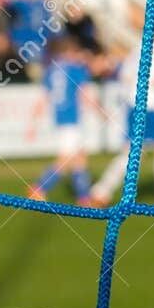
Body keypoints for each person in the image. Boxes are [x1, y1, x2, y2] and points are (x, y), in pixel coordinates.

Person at [86, 38, 154, 210]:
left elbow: (125, 75)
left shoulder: (138, 47)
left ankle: (100, 192)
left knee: (132, 152)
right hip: (149, 105)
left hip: (133, 104)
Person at [29, 35, 99, 203]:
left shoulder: (50, 70)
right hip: (72, 118)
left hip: (60, 118)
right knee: (66, 160)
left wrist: (33, 124)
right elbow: (84, 95)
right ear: (69, 51)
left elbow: (43, 99)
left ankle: (84, 198)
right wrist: (101, 111)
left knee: (79, 157)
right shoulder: (76, 69)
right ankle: (39, 187)